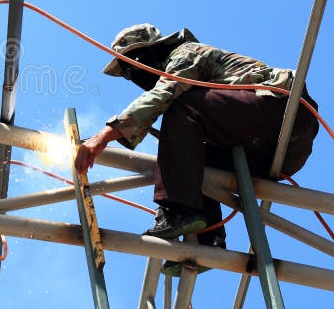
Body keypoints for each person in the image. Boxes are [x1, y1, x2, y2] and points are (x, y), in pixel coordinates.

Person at [74, 23, 319, 274]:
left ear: (146, 55)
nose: (132, 77)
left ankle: (178, 211)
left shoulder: (186, 53)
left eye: (129, 69)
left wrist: (103, 136)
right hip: (278, 151)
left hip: (281, 111)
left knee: (181, 107)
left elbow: (165, 92)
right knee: (194, 158)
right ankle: (208, 239)